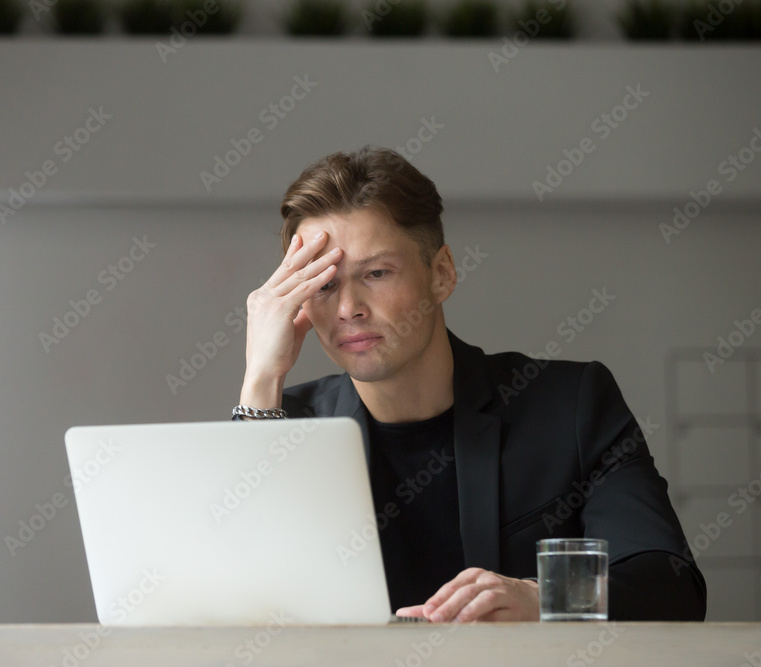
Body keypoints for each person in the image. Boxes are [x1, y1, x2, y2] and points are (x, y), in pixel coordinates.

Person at [231, 145, 706, 623]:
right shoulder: (281, 424)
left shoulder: (571, 404)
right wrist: (259, 380)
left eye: (376, 273)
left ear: (441, 274)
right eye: (324, 284)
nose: (347, 307)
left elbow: (670, 586)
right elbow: (232, 602)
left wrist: (542, 600)